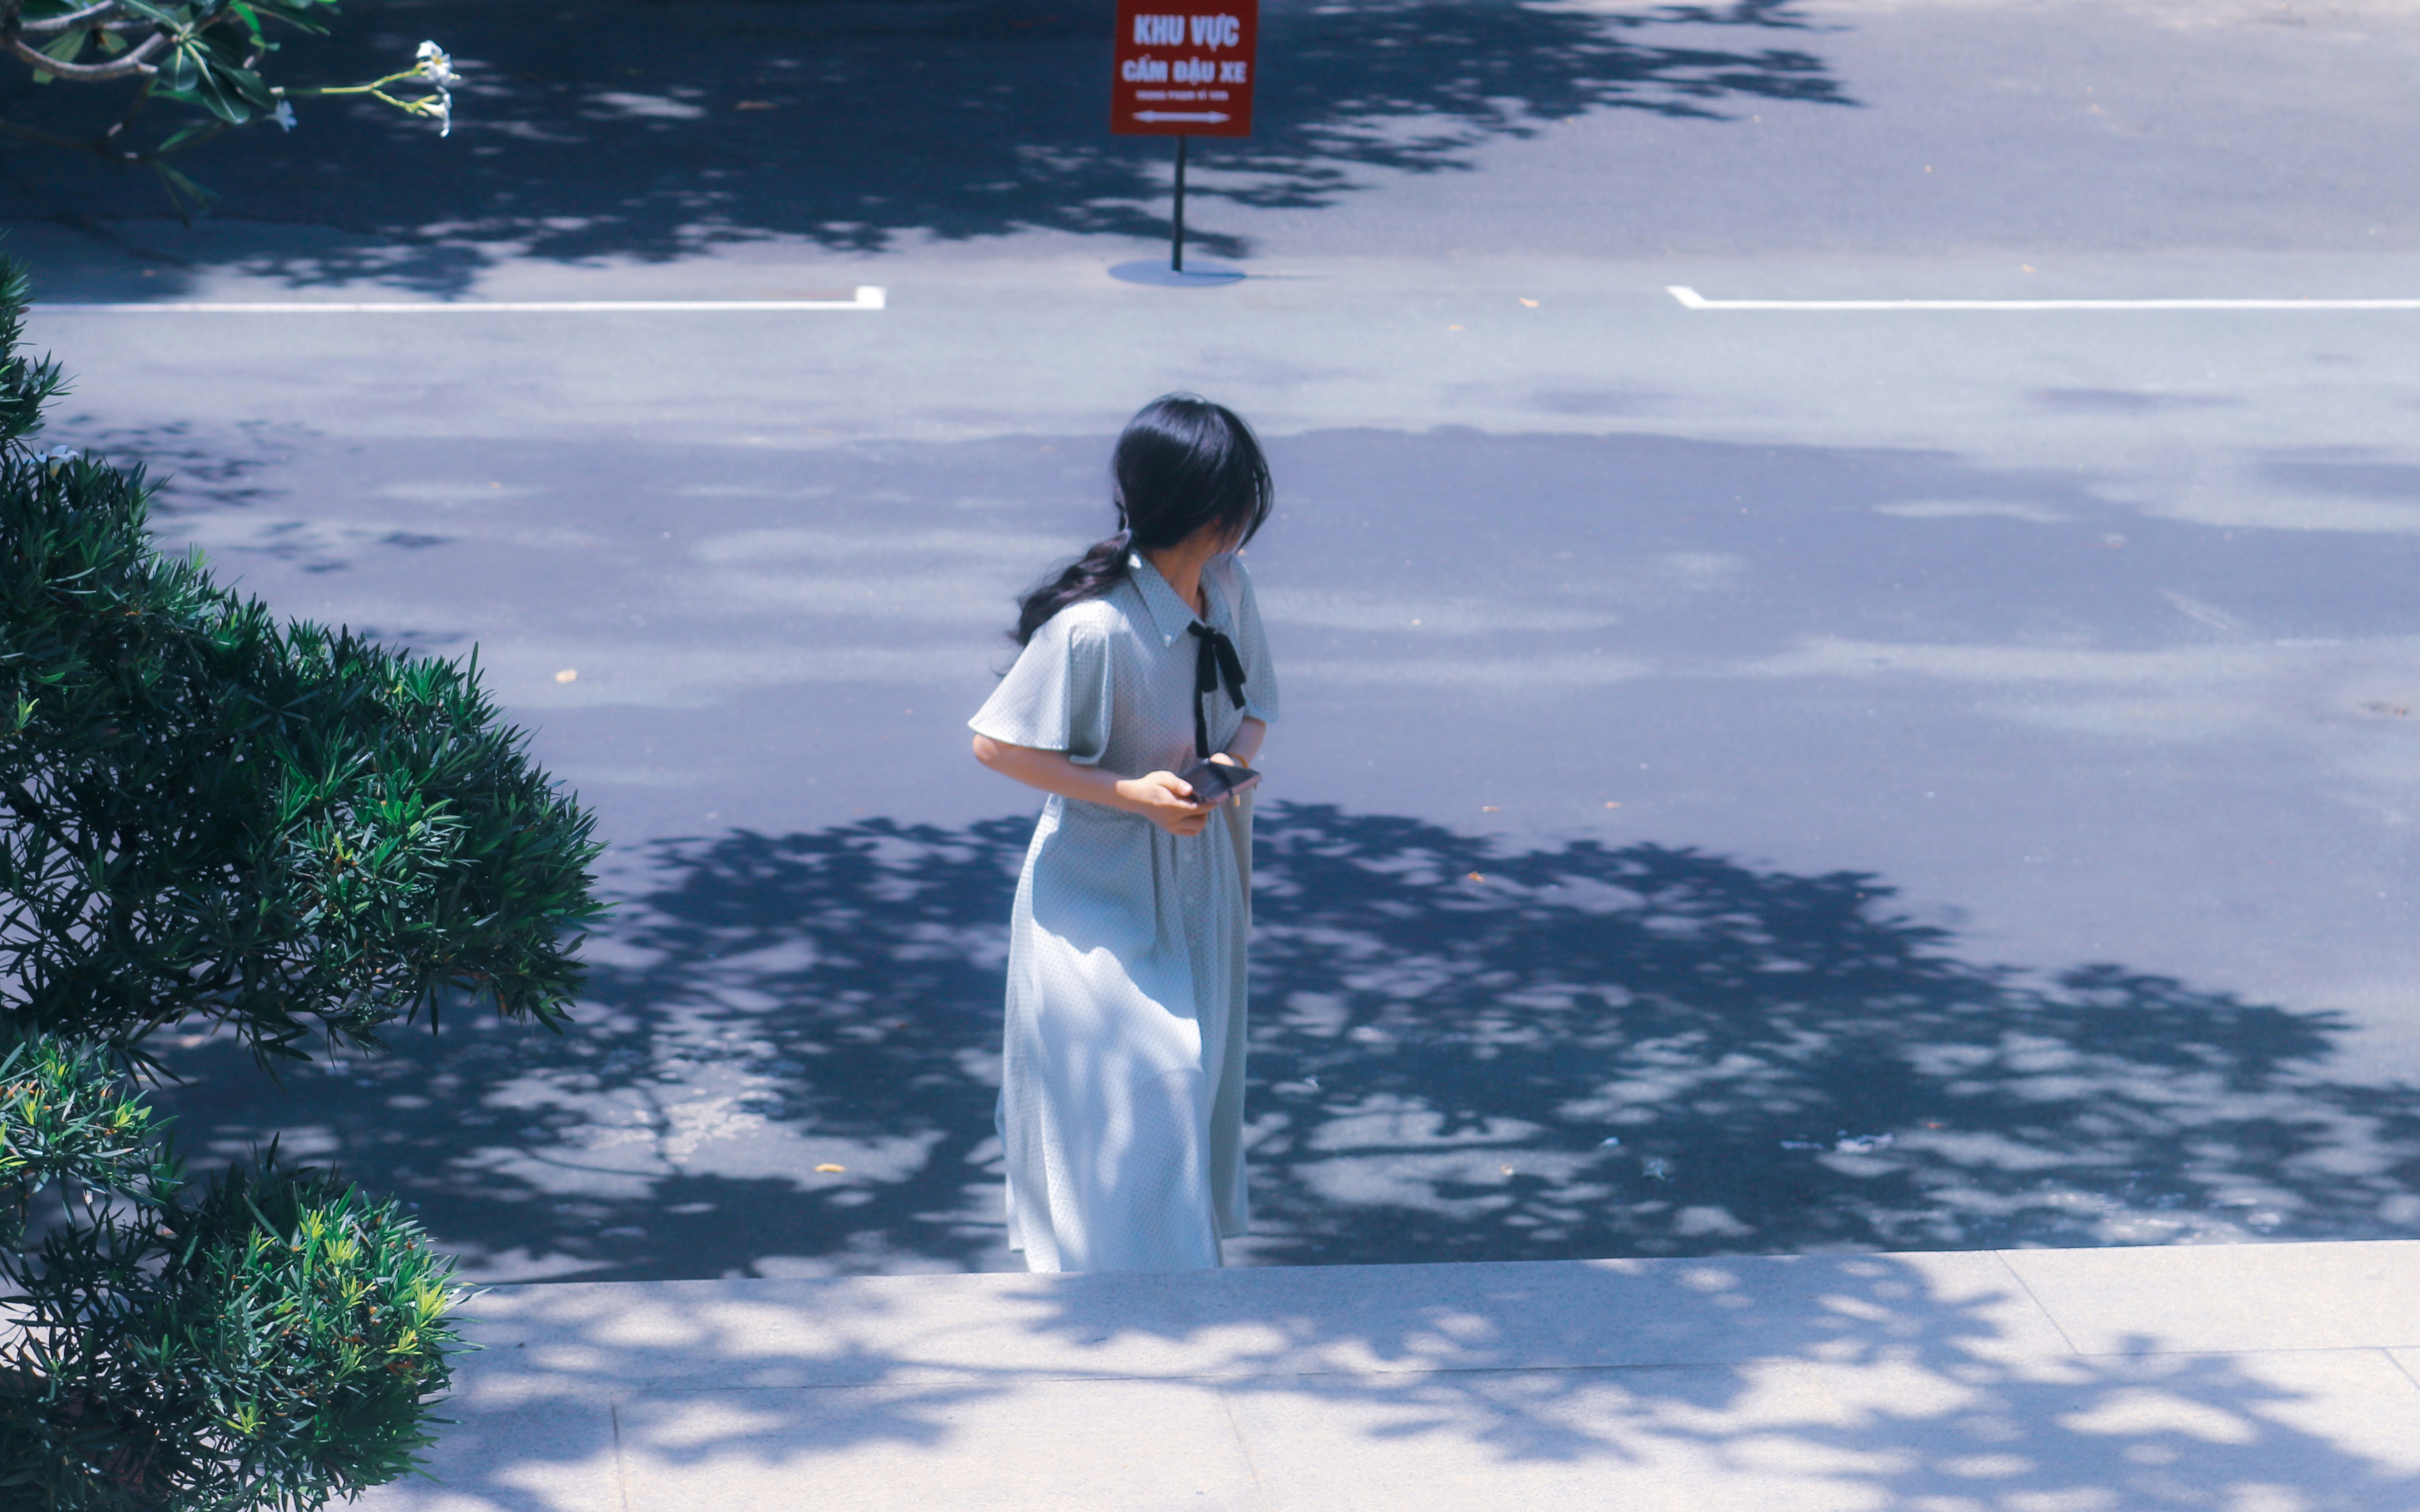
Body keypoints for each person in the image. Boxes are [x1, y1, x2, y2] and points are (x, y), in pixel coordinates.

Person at [967, 394, 1279, 1272]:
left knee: (1188, 1085)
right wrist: (1131, 794)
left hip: (1198, 868)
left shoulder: (1227, 586)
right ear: (1215, 507)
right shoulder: (1093, 629)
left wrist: (1223, 771)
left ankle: (1165, 1288)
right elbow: (996, 744)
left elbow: (1253, 710)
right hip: (1093, 882)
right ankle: (1115, 1287)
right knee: (1147, 1079)